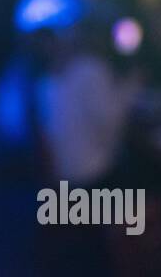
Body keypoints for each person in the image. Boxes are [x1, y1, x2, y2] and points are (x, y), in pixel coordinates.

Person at [36, 20, 141, 185]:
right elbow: (111, 122)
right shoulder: (90, 69)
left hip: (60, 176)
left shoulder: (44, 82)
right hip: (91, 174)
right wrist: (131, 86)